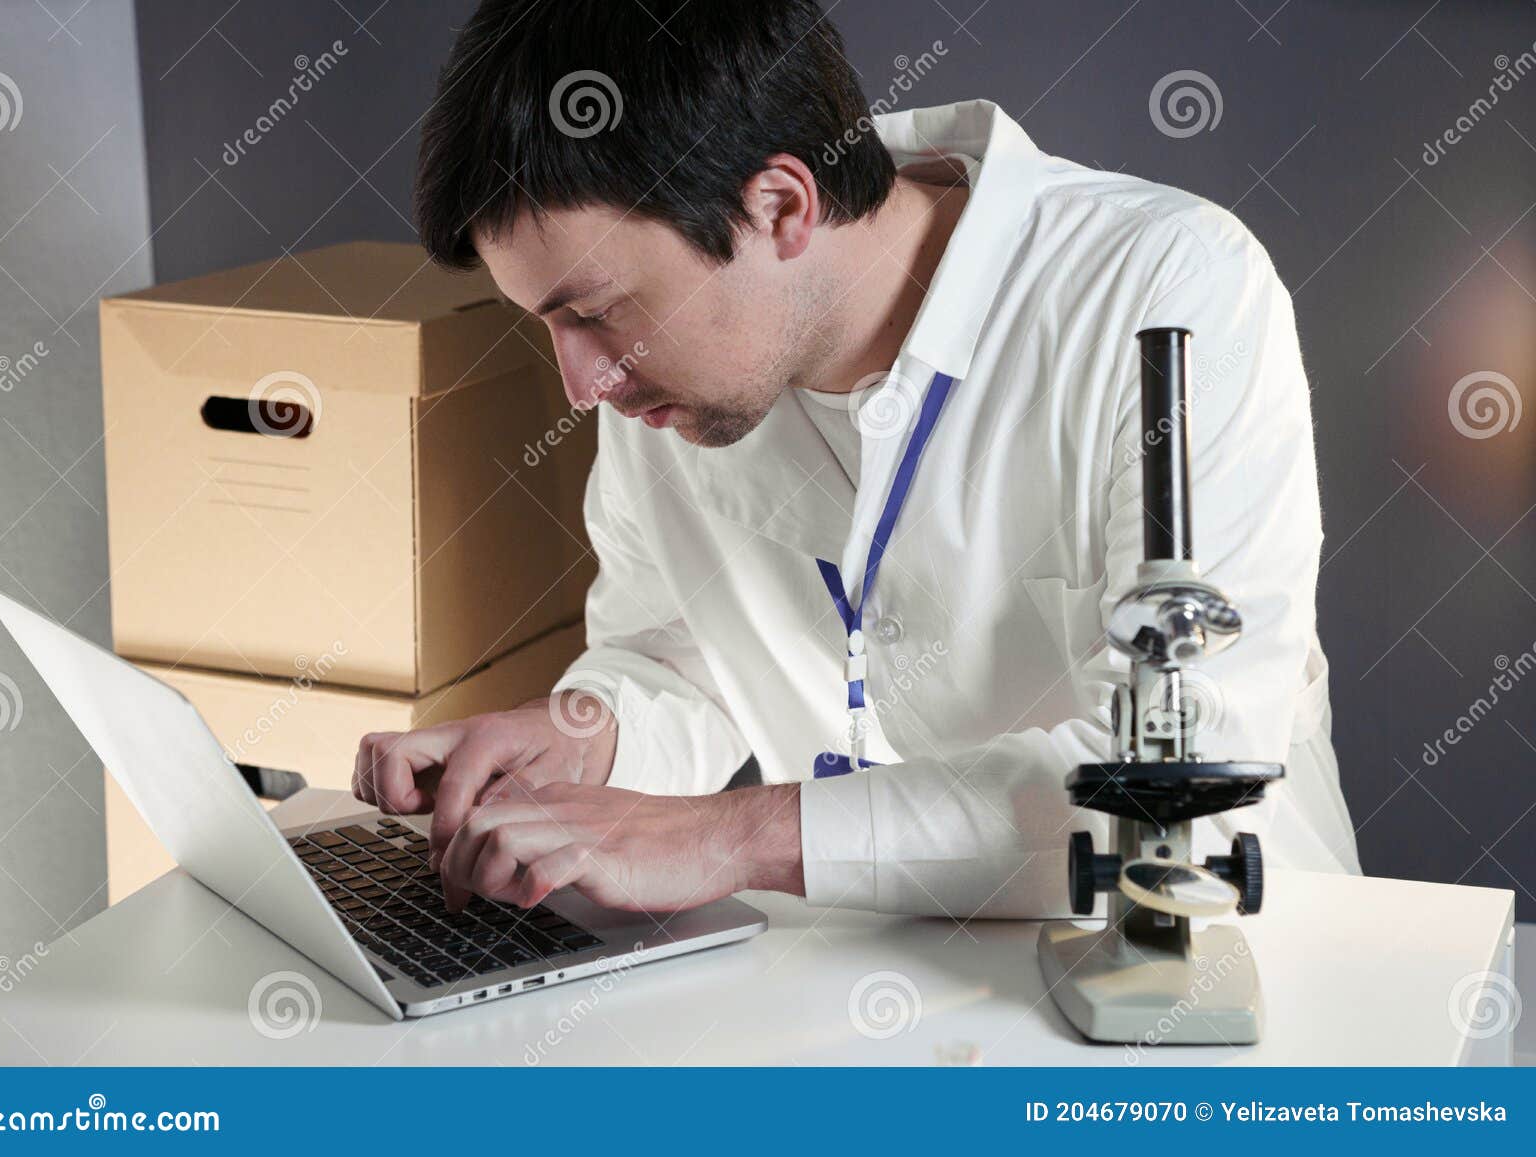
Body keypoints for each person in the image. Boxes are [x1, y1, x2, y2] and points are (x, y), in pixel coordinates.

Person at [352, 0, 1361, 919]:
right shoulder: (663, 379)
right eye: (550, 324)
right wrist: (577, 731)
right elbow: (680, 655)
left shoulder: (1167, 289)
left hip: (1209, 972)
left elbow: (1182, 777)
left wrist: (735, 833)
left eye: (595, 313)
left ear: (782, 208)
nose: (580, 383)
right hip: (882, 980)